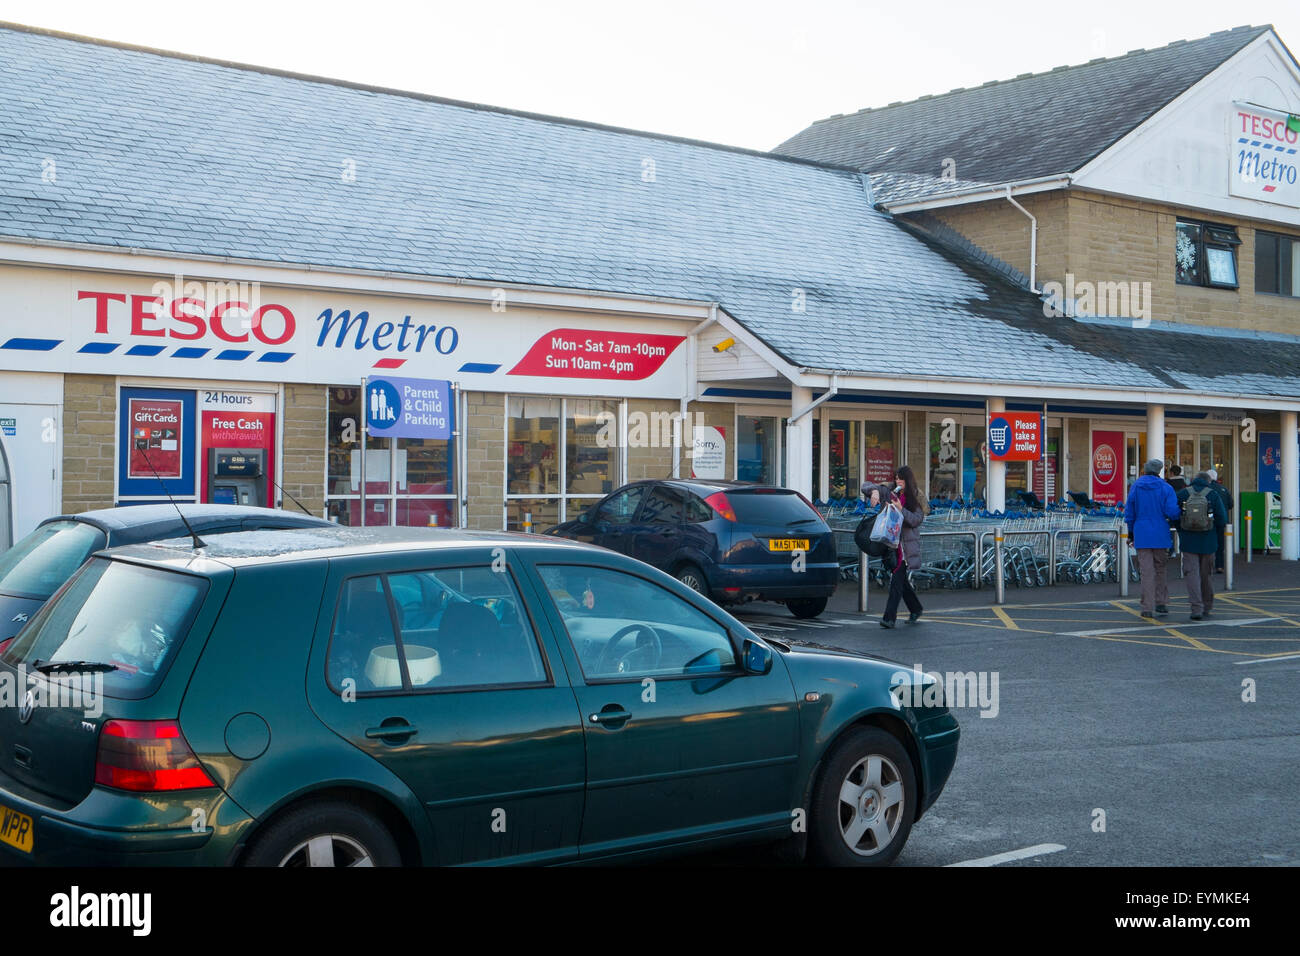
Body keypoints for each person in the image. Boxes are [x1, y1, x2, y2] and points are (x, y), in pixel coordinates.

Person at [1124, 459, 1181, 619]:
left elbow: (1130, 512)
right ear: (1159, 471)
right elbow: (1172, 511)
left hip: (1141, 532)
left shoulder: (1136, 486)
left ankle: (1147, 607)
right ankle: (1161, 602)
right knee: (1160, 569)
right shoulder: (1166, 487)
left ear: (1145, 470)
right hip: (1160, 532)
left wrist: (1130, 533)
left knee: (1146, 572)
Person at [1176, 471, 1227, 620]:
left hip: (1188, 541)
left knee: (1192, 575)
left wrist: (1181, 531)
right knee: (1206, 575)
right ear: (1208, 481)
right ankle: (1207, 606)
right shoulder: (1213, 494)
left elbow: (1174, 515)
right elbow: (1222, 519)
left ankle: (1196, 608)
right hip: (1208, 542)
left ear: (1193, 480)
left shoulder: (1183, 493)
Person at [880, 466, 926, 629]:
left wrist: (900, 508)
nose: (898, 481)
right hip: (893, 544)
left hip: (906, 547)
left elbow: (915, 520)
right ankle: (916, 608)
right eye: (896, 478)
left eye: (901, 479)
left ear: (908, 480)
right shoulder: (893, 493)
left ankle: (889, 617)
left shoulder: (914, 498)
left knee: (896, 581)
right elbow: (868, 487)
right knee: (901, 581)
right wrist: (874, 494)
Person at [1207, 468, 1233, 573]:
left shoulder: (1206, 490)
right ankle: (1220, 565)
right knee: (1220, 543)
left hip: (1208, 520)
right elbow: (1231, 504)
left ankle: (1207, 565)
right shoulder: (1224, 489)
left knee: (1208, 542)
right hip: (1222, 520)